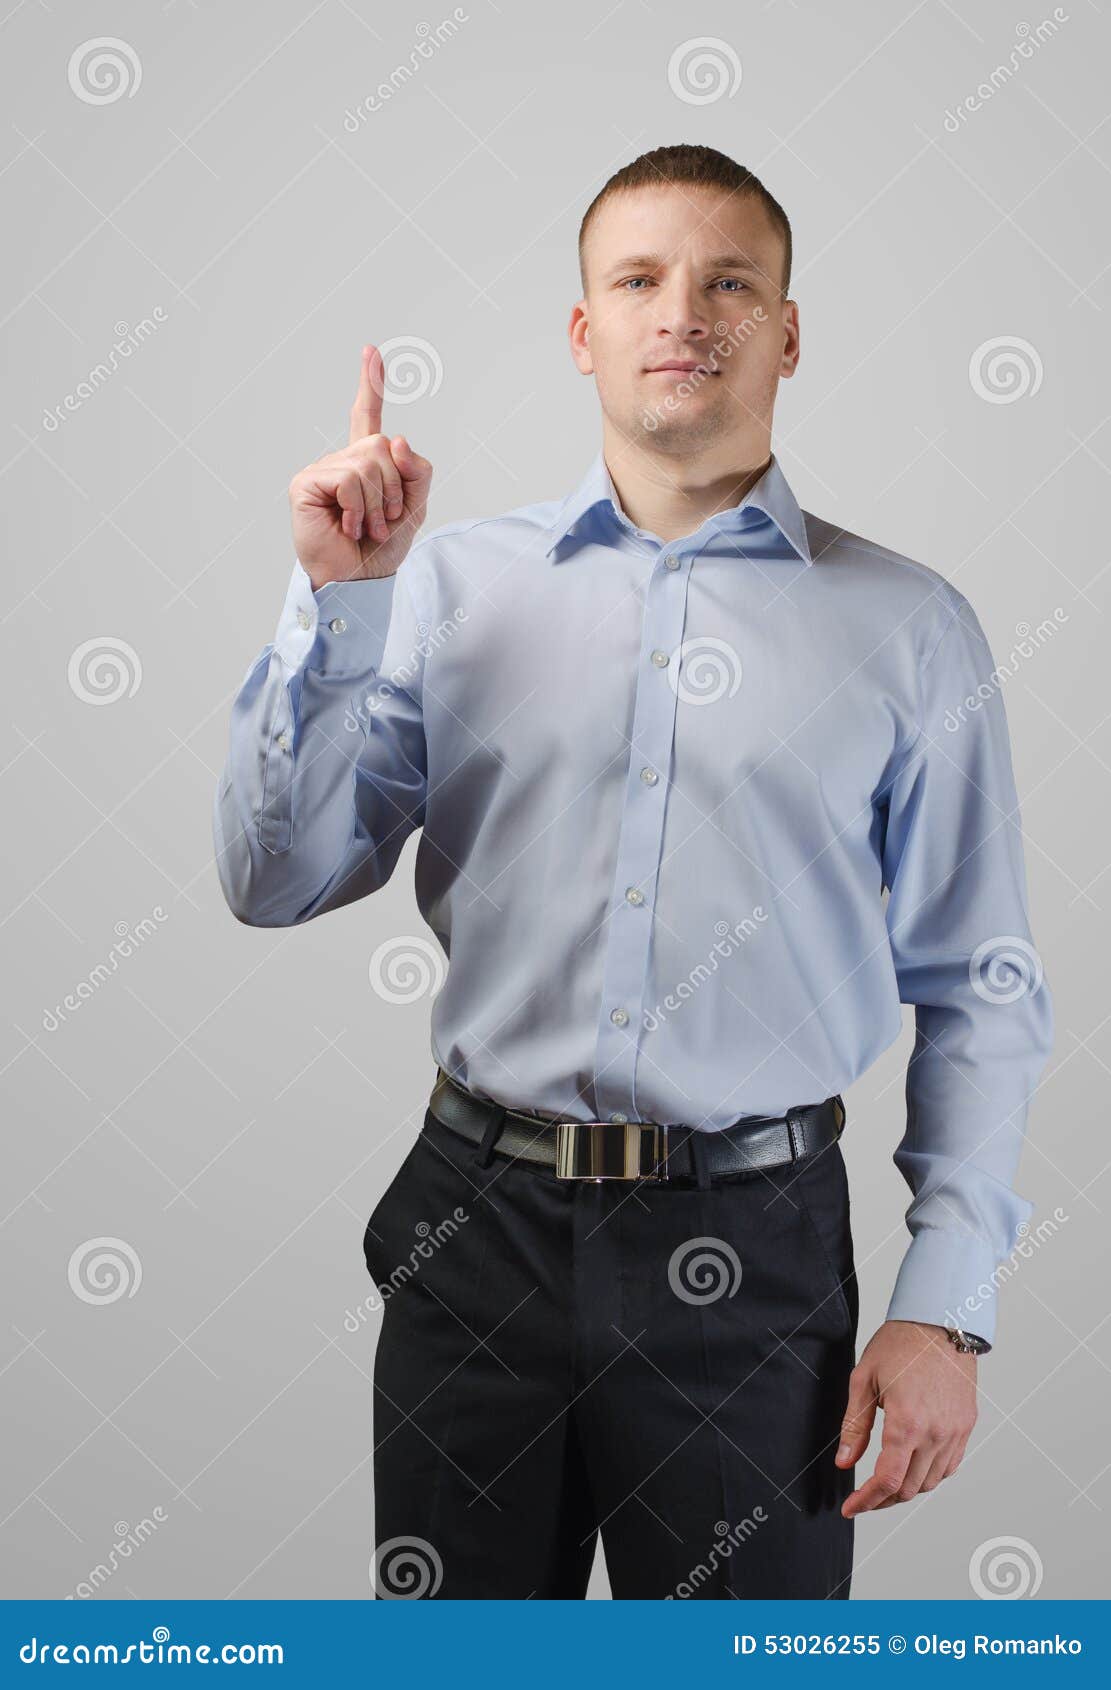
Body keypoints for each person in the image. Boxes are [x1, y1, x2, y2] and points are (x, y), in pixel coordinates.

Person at [212, 143, 1054, 1599]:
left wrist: (947, 1306)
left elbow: (982, 985)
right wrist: (339, 607)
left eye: (731, 280)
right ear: (584, 330)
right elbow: (272, 879)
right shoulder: (445, 588)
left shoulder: (911, 629)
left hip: (757, 1258)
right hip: (476, 1235)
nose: (686, 312)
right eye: (640, 279)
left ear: (788, 329)